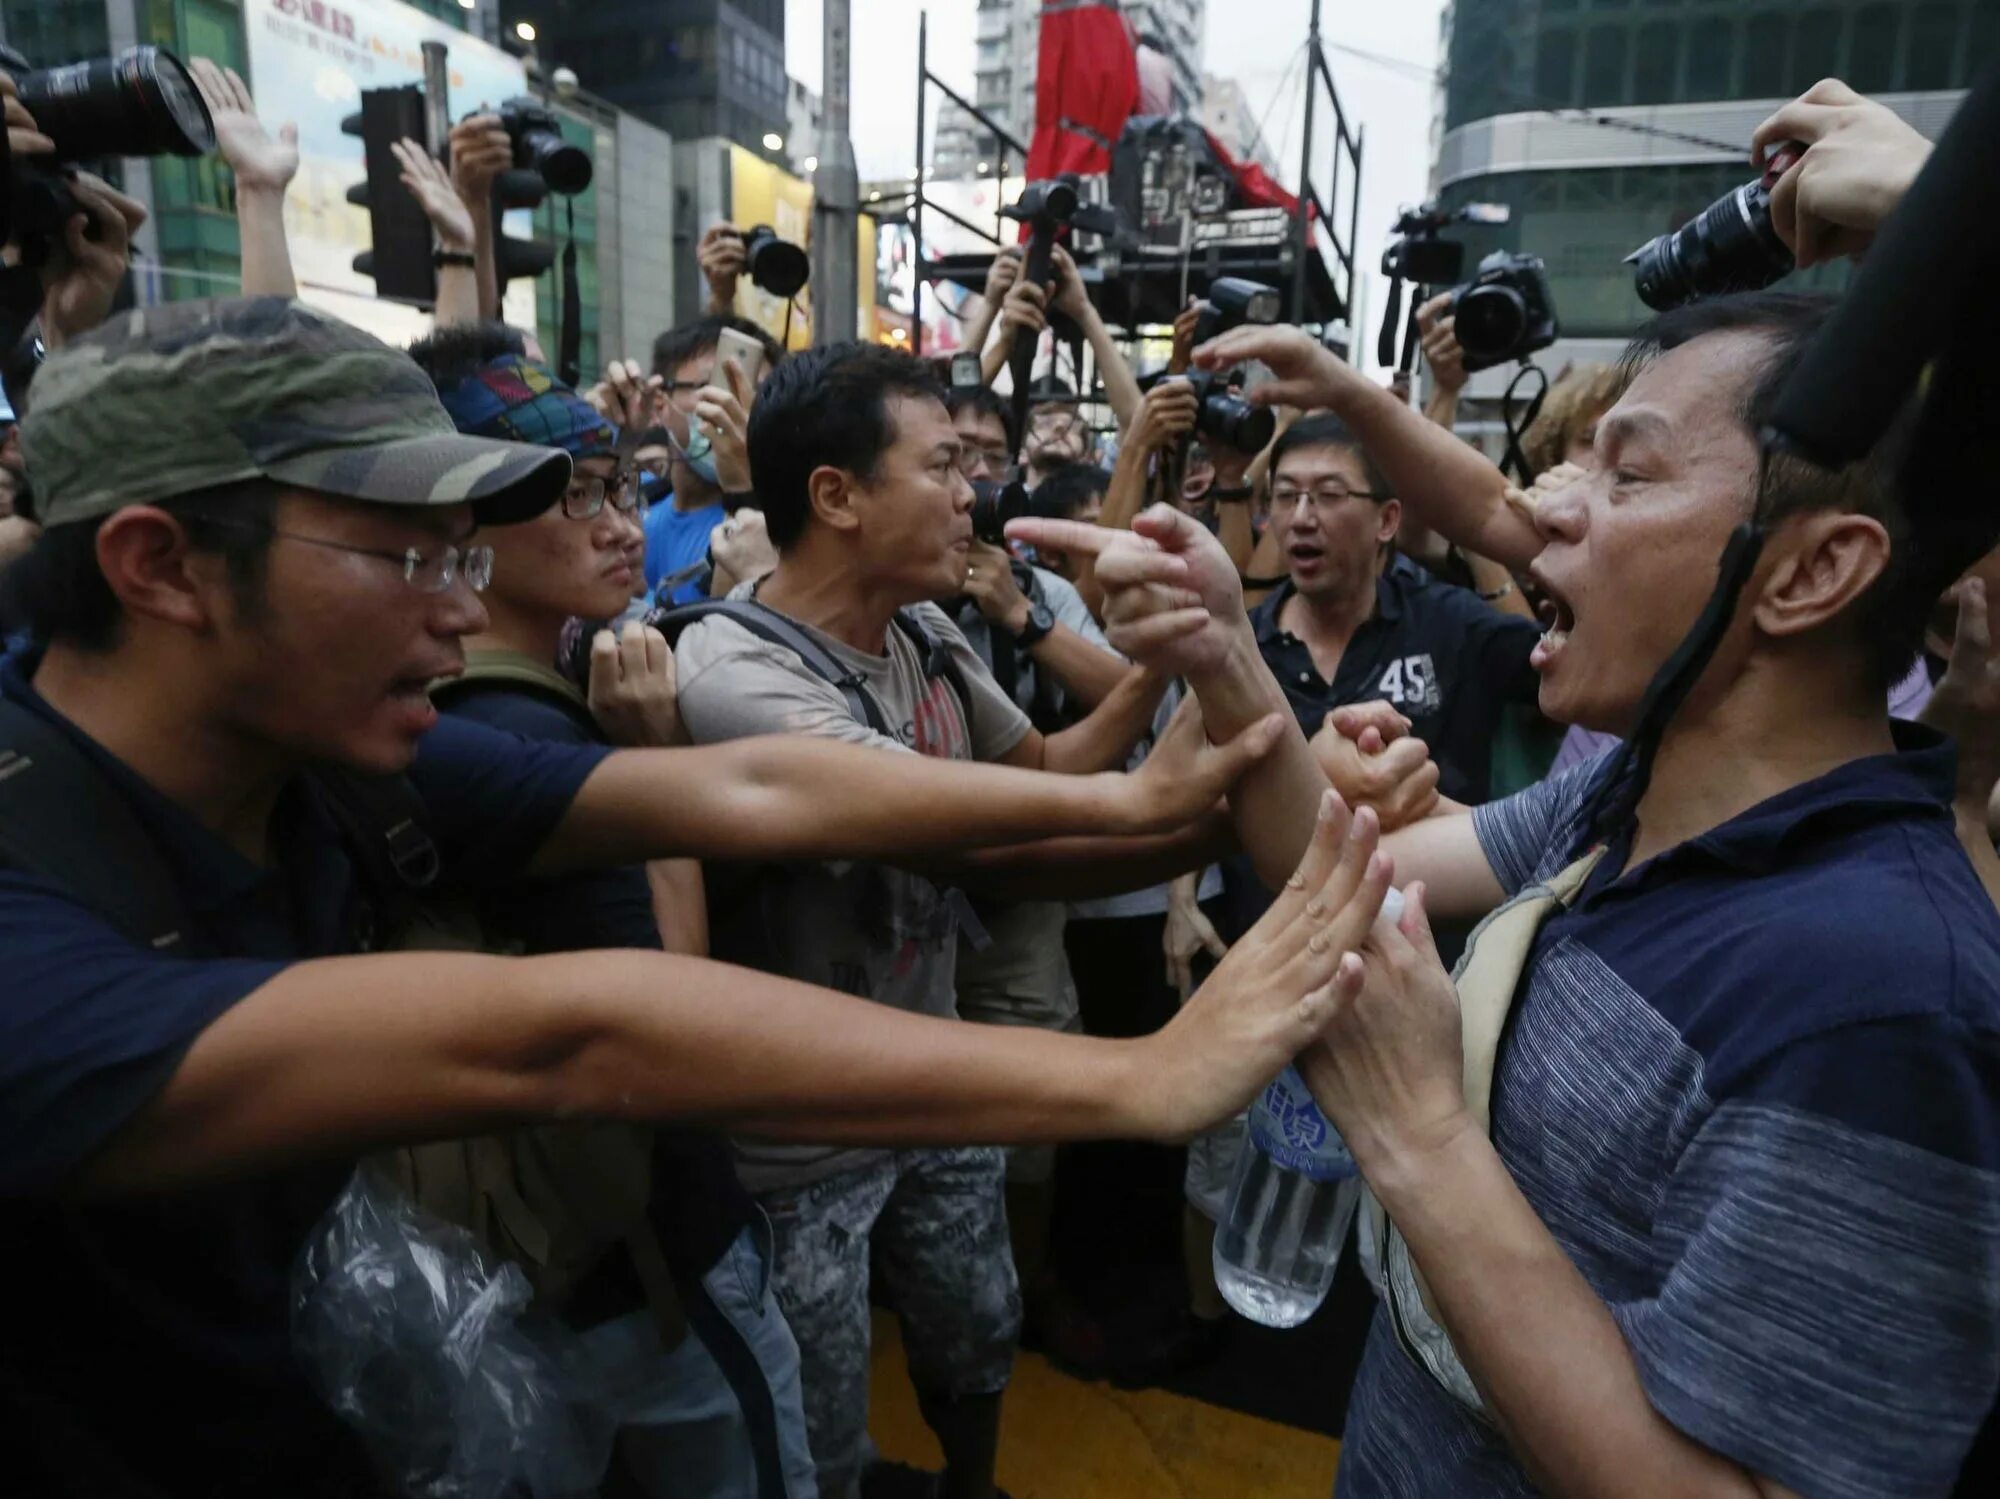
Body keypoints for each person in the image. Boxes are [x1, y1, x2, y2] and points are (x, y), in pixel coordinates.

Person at [0, 296, 1409, 1499]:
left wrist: (1135, 803)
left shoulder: (331, 754)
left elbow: (758, 792)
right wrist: (1139, 1075)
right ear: (160, 565)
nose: (457, 602)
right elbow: (567, 1029)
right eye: (408, 553)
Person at [1019, 274, 2000, 1494]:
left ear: (1807, 575)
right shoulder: (1621, 797)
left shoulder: (1881, 998)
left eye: (1625, 476)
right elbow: (1333, 868)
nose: (1542, 511)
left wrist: (1415, 1130)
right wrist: (1223, 650)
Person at [405, 325, 813, 1496]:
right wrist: (656, 764)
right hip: (649, 1265)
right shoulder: (517, 731)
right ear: (460, 523)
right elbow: (671, 1013)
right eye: (568, 493)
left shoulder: (481, 687)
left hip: (535, 1252)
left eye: (619, 484)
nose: (619, 521)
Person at [641, 315, 784, 602]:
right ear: (661, 403)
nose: (734, 407)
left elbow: (727, 623)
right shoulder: (637, 503)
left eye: (756, 393)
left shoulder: (776, 531)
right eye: (716, 385)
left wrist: (743, 488)